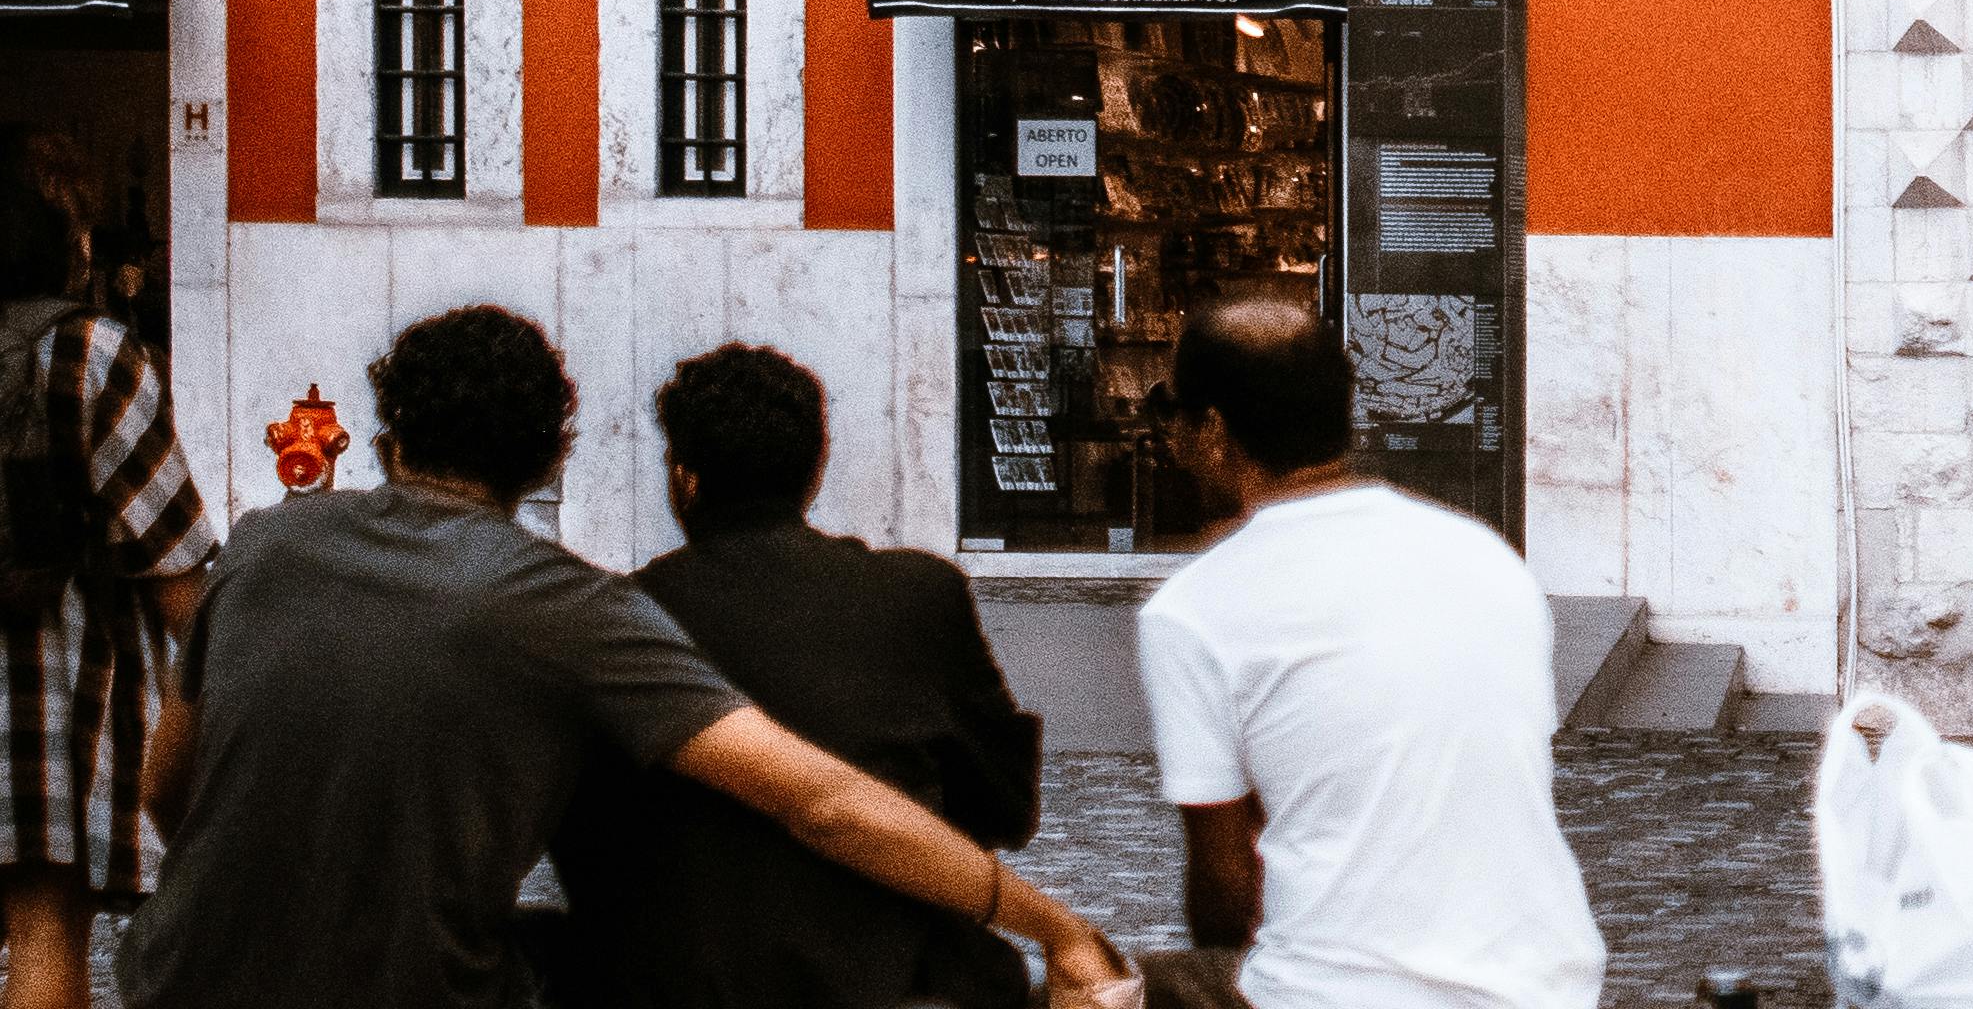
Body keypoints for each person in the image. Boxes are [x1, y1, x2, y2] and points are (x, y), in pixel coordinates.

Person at [119, 304, 1124, 1009]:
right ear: (554, 455)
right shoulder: (568, 606)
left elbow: (170, 783)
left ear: (387, 440)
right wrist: (1047, 921)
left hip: (179, 972)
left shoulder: (263, 541)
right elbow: (823, 801)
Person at [1129, 297, 1596, 1009]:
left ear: (1213, 429)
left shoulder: (1195, 611)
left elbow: (1223, 891)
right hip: (1545, 981)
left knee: (1087, 988)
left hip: (1333, 993)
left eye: (1177, 417)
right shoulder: (1483, 557)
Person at [556, 341, 1041, 1009]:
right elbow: (1003, 809)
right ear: (815, 472)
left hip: (673, 980)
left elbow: (581, 841)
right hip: (887, 978)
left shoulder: (615, 614)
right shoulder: (919, 595)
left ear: (685, 478)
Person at [0, 193, 211, 1009]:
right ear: (66, 244)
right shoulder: (90, 352)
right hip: (43, 691)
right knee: (46, 925)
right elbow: (177, 568)